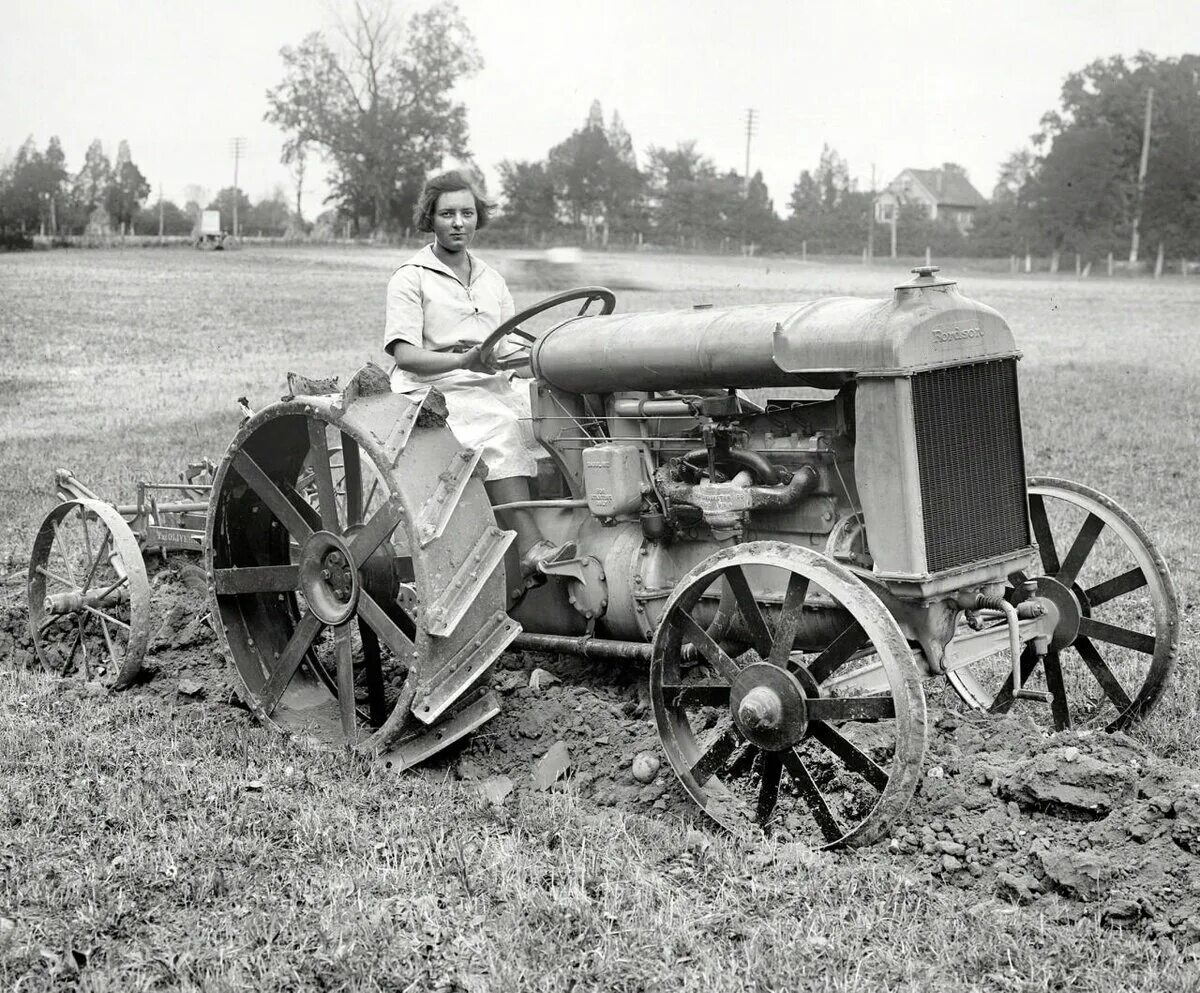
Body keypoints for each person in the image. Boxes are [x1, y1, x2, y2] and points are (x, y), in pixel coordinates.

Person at [383, 169, 571, 583]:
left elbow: (505, 351)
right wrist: (461, 362)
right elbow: (403, 354)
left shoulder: (491, 278)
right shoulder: (411, 277)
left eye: (467, 213)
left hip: (488, 381)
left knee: (558, 413)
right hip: (433, 390)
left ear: (477, 217)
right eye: (447, 213)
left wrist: (547, 360)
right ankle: (530, 546)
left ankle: (578, 527)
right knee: (501, 428)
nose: (458, 223)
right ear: (430, 218)